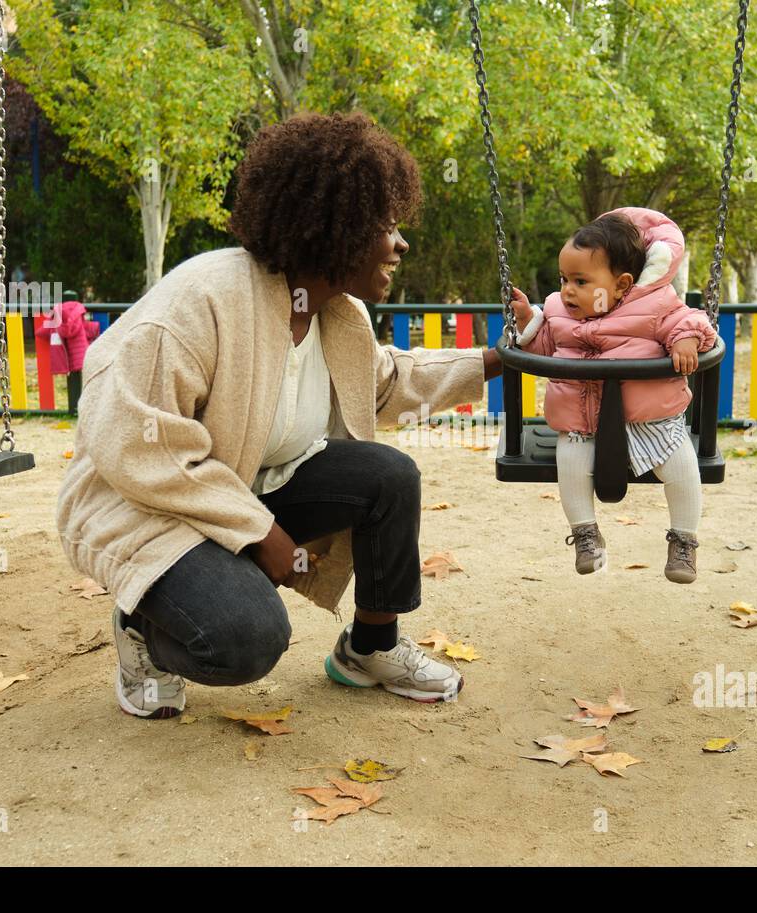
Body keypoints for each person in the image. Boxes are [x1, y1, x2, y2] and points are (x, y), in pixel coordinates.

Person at [55, 112, 505, 718]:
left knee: (388, 478)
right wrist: (261, 534)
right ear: (334, 226)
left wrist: (501, 359)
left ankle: (370, 648)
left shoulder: (336, 316)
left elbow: (388, 383)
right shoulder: (203, 301)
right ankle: (144, 628)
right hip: (147, 507)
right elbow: (138, 445)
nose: (401, 245)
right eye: (387, 226)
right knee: (247, 638)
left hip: (246, 486)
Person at [508, 208, 716, 582]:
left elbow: (690, 321)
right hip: (581, 421)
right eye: (564, 279)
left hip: (651, 421)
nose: (567, 290)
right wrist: (527, 322)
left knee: (682, 466)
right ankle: (586, 533)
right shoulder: (558, 310)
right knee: (569, 463)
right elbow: (544, 346)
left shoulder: (654, 304)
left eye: (581, 281)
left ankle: (684, 539)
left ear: (621, 284)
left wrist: (685, 339)